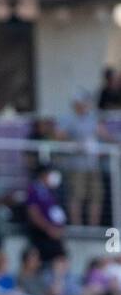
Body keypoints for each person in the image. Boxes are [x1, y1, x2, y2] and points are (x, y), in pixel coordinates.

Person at [59, 91, 105, 228]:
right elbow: (59, 136)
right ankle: (77, 226)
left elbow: (103, 134)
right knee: (77, 196)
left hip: (92, 165)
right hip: (77, 166)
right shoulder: (69, 119)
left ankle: (93, 227)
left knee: (96, 196)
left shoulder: (92, 118)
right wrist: (77, 144)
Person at [25, 162, 67, 264]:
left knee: (61, 260)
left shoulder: (50, 191)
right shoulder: (34, 189)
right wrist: (49, 229)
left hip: (54, 234)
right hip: (42, 234)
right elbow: (33, 212)